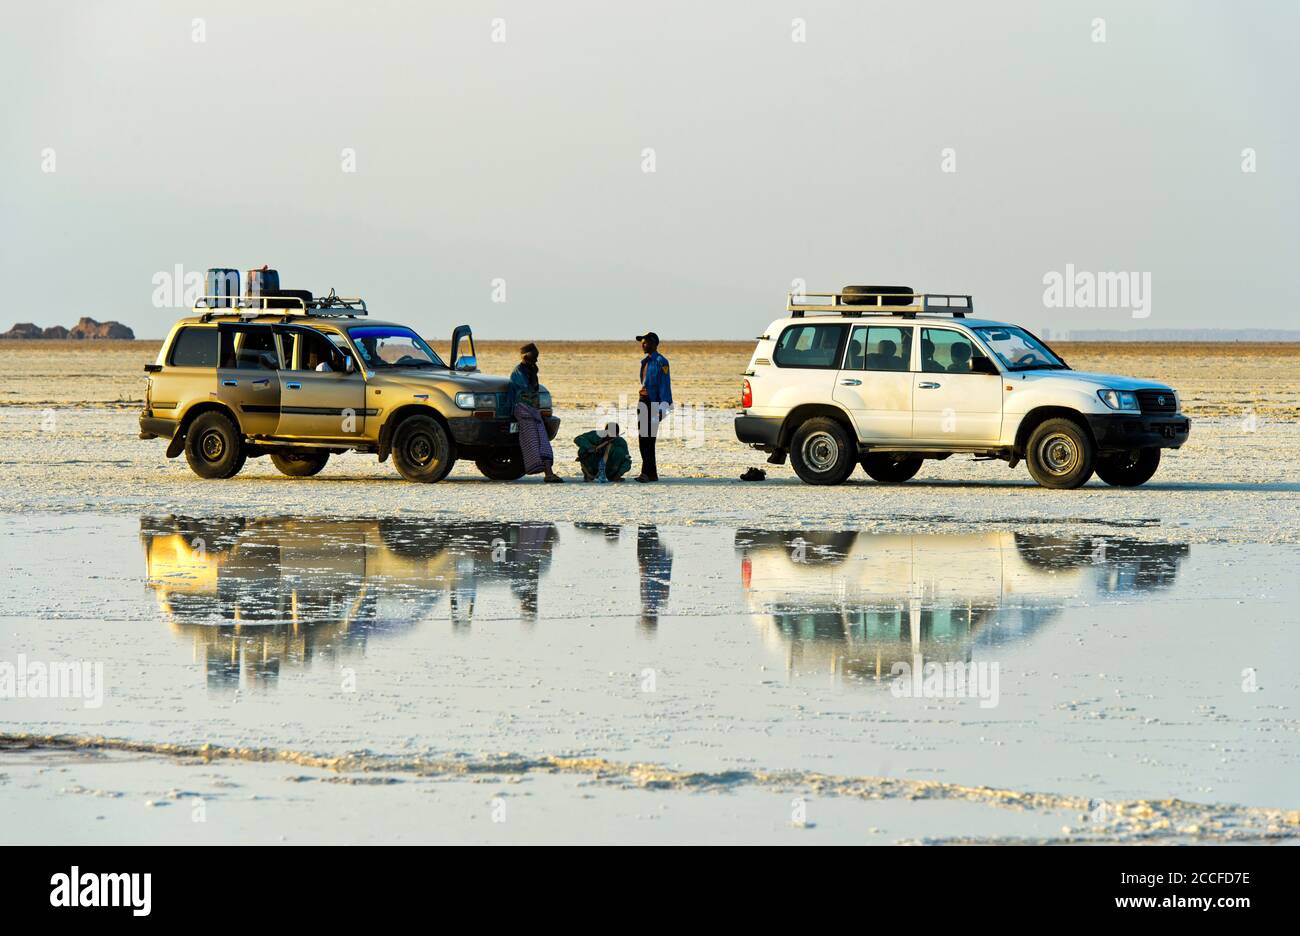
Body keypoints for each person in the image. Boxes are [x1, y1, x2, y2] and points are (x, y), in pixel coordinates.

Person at [508, 343, 563, 482]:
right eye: (534, 357)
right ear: (526, 356)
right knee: (533, 441)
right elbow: (525, 391)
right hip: (523, 409)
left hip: (532, 410)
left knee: (542, 441)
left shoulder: (530, 370)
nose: (536, 360)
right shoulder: (519, 371)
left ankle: (548, 472)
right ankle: (547, 472)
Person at [634, 332, 672, 483]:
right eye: (642, 342)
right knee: (643, 439)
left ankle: (647, 473)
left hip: (653, 403)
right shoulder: (645, 362)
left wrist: (664, 407)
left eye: (646, 342)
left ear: (655, 344)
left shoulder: (661, 362)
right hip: (643, 401)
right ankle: (650, 473)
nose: (643, 345)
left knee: (649, 440)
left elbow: (664, 385)